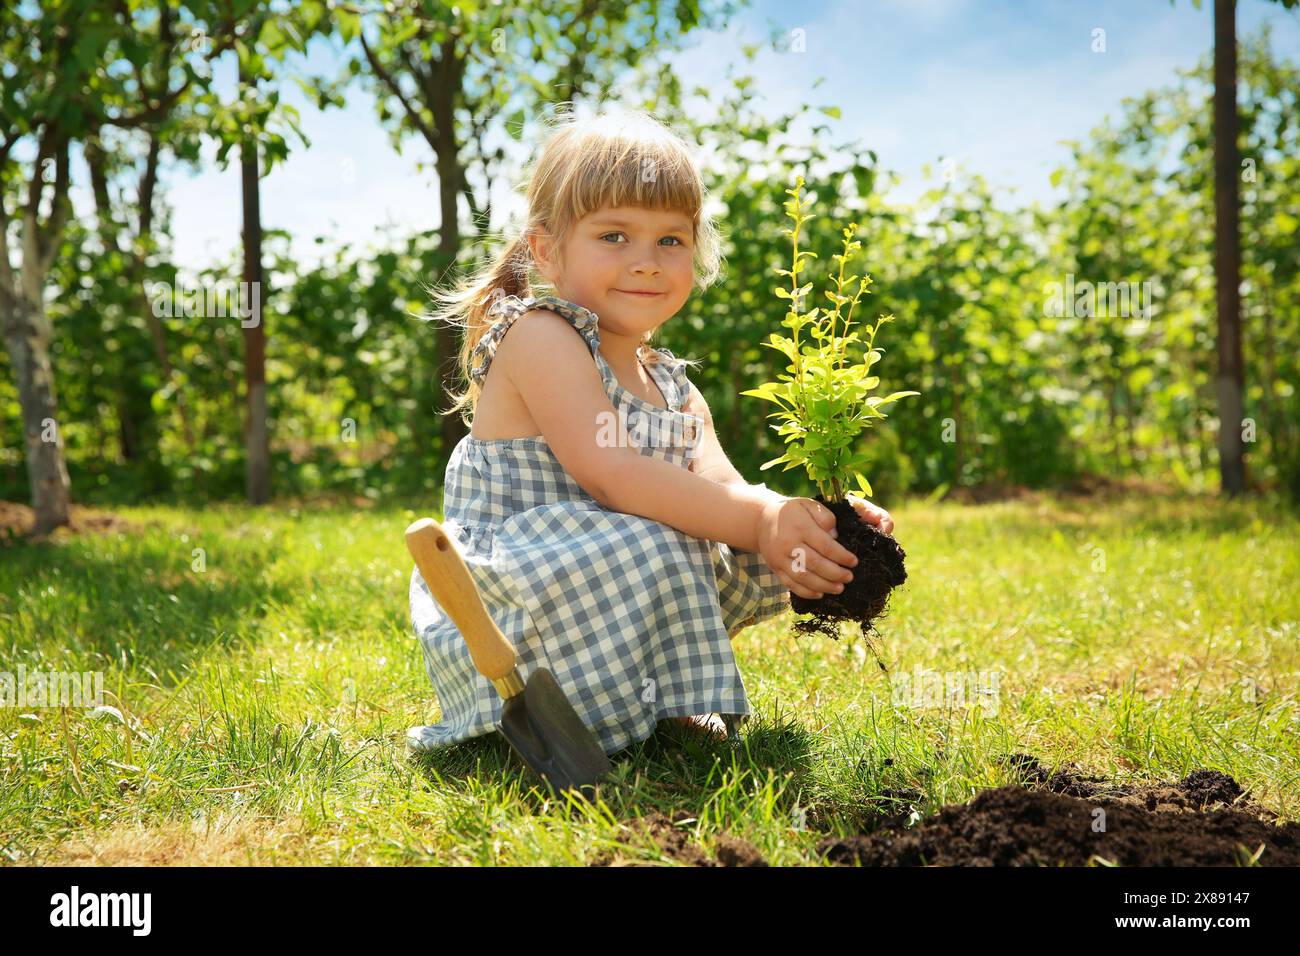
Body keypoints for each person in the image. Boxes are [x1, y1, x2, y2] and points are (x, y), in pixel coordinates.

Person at [409, 105, 893, 757]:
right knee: (661, 540)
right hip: (518, 586)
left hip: (605, 566)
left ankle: (658, 697)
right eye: (614, 236)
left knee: (728, 530)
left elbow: (721, 485)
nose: (647, 262)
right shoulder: (541, 337)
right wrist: (758, 520)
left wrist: (801, 520)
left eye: (671, 240)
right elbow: (614, 474)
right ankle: (594, 705)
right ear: (547, 249)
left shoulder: (670, 383)